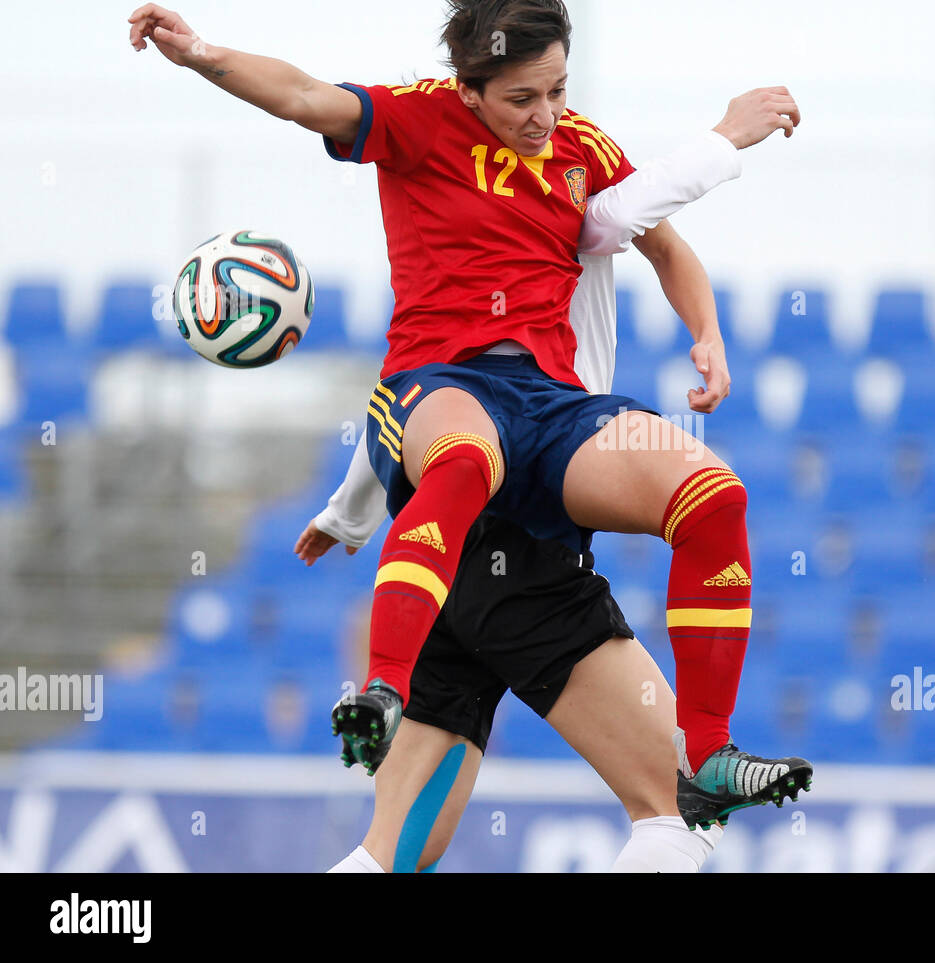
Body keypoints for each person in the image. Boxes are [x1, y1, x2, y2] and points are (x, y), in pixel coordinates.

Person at [128, 0, 811, 830]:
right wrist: (200, 53)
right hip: (436, 383)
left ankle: (708, 753)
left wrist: (706, 332)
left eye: (557, 90)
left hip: (553, 407)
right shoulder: (416, 120)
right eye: (522, 98)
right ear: (471, 89)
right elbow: (303, 95)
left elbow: (663, 245)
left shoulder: (582, 149)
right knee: (463, 459)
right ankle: (383, 688)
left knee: (714, 495)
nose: (545, 115)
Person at [306, 111, 782, 872]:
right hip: (522, 542)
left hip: (449, 544)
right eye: (537, 90)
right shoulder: (569, 185)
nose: (546, 111)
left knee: (394, 854)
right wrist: (728, 135)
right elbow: (637, 215)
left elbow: (414, 397)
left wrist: (349, 509)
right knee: (681, 813)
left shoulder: (460, 222)